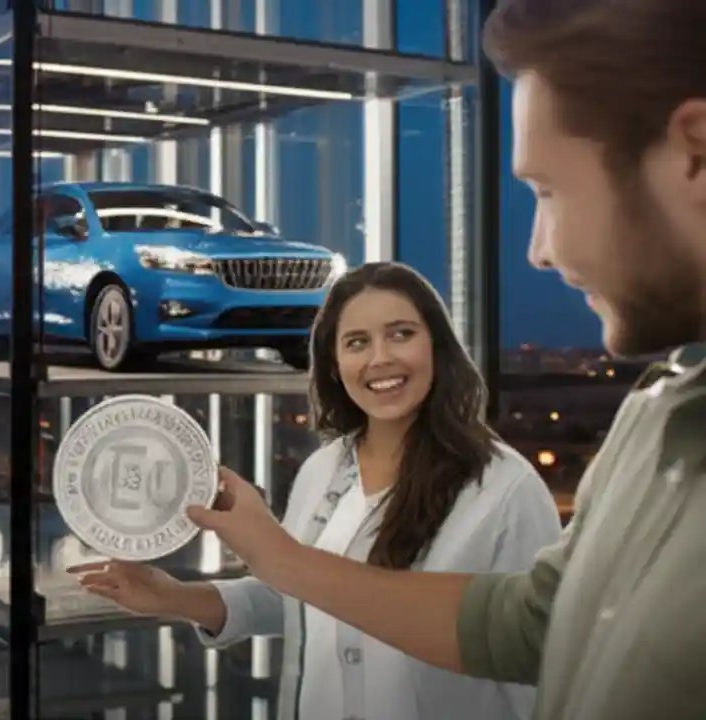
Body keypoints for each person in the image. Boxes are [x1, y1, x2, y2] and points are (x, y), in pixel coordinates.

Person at [85, 1, 706, 718]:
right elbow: (531, 621)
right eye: (355, 341)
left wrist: (284, 561)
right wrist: (192, 593)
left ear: (694, 151)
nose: (540, 249)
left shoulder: (506, 486)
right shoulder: (652, 421)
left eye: (550, 191)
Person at [74, 262, 562, 720]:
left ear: (438, 346)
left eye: (401, 334)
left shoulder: (507, 490)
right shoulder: (321, 470)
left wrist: (275, 553)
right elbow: (298, 595)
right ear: (332, 364)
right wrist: (177, 597)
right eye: (356, 343)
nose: (380, 358)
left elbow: (538, 659)